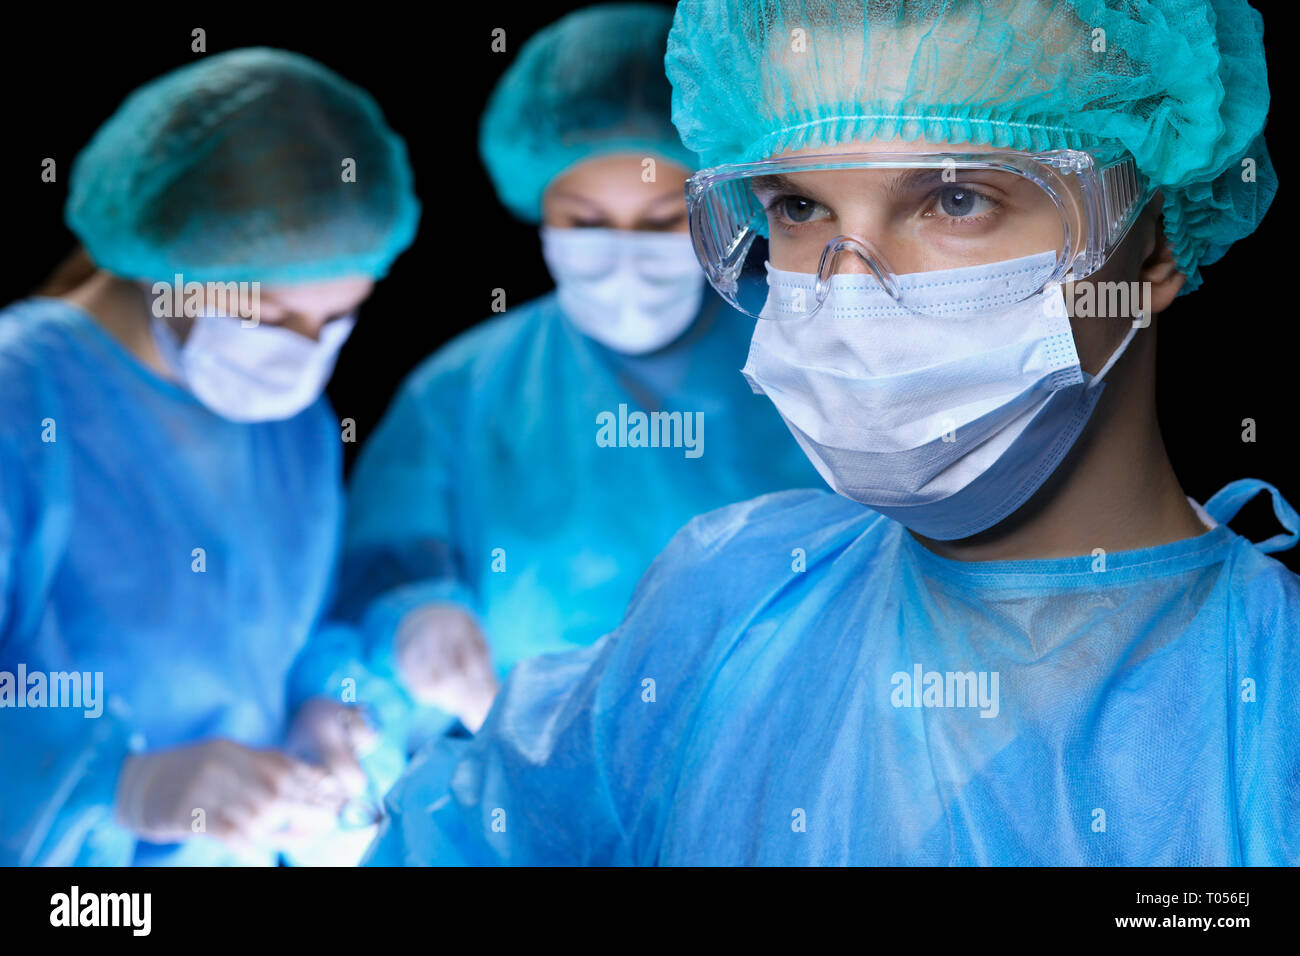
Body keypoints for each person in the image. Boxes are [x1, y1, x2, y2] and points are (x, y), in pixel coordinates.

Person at [364, 0, 1299, 866]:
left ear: (1157, 243)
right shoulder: (730, 603)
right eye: (800, 207)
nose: (852, 292)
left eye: (958, 197)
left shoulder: (1271, 710)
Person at [335, 2, 821, 743]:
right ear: (537, 211)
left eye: (662, 220)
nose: (623, 249)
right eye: (586, 221)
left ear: (725, 206)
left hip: (786, 754)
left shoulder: (816, 346)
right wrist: (413, 621)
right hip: (544, 772)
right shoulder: (460, 394)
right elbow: (380, 594)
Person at [0, 47, 420, 866]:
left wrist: (324, 709)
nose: (304, 354)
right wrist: (112, 787)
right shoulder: (19, 409)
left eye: (339, 318)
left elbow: (291, 628)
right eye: (270, 312)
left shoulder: (286, 420)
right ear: (171, 258)